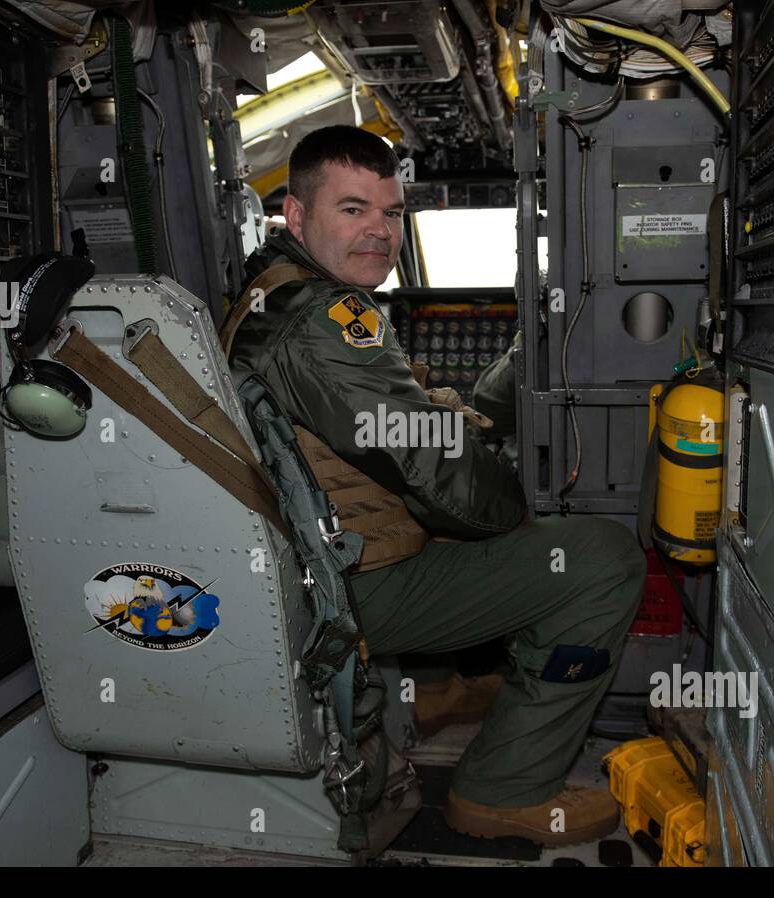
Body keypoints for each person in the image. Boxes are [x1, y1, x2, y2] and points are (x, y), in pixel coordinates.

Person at [224, 125, 647, 846]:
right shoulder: (326, 322)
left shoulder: (282, 293)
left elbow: (408, 432)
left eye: (391, 214)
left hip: (320, 552)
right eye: (352, 210)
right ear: (295, 216)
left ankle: (441, 694)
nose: (380, 233)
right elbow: (435, 473)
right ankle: (501, 791)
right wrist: (511, 501)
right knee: (600, 559)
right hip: (349, 586)